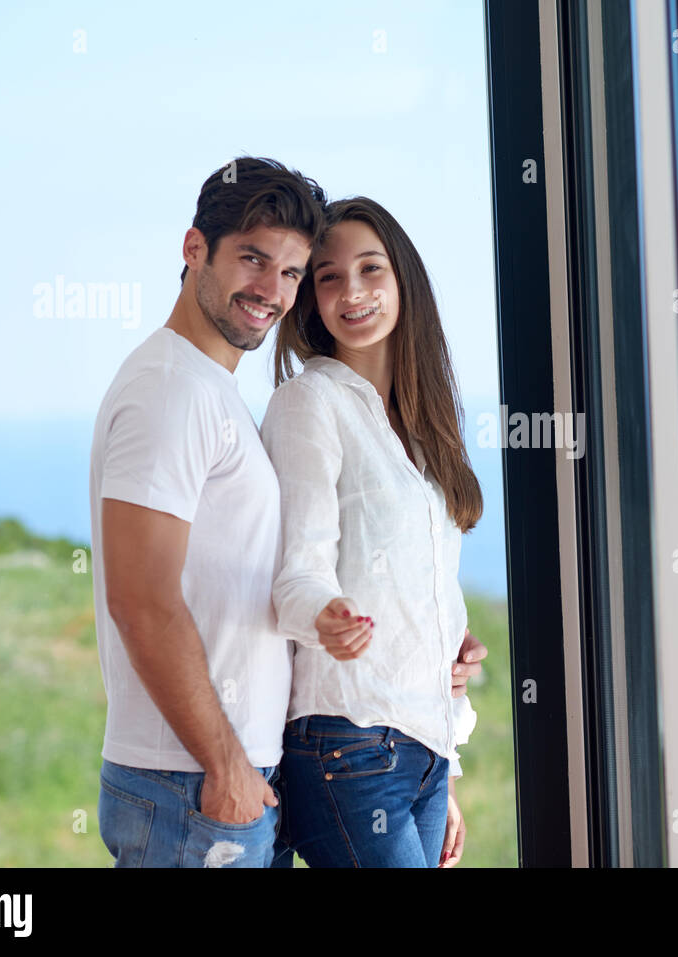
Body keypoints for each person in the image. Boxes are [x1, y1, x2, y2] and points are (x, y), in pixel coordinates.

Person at [91, 157, 323, 867]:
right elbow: (142, 600)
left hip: (216, 779)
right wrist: (224, 767)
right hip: (189, 782)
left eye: (290, 273)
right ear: (195, 250)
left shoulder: (207, 387)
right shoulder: (171, 389)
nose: (271, 290)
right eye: (253, 259)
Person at [262, 196, 484, 868]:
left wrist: (444, 758)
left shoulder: (424, 424)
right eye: (328, 276)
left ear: (402, 280)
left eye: (370, 268)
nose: (351, 292)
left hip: (421, 746)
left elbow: (423, 585)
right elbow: (296, 573)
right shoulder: (310, 403)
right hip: (348, 741)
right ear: (310, 300)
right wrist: (324, 614)